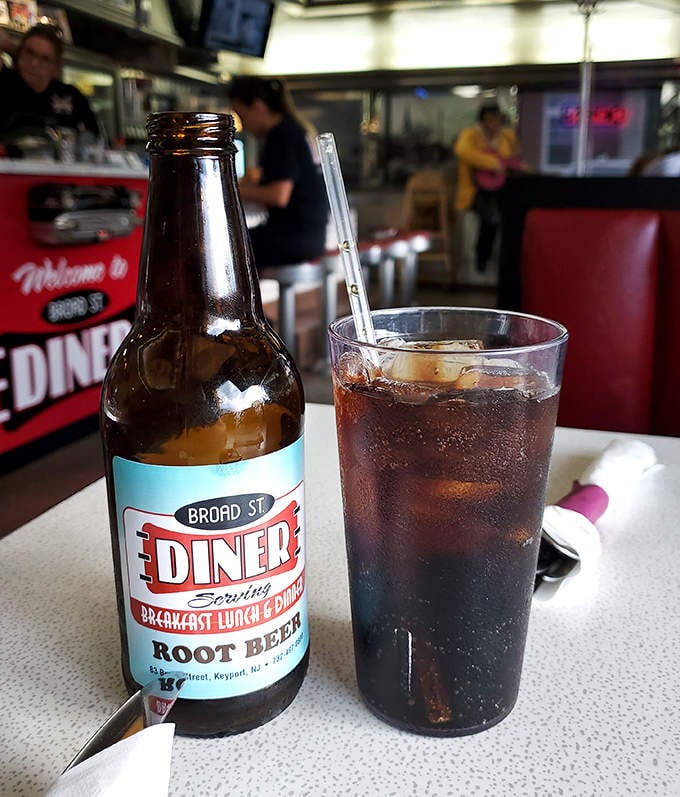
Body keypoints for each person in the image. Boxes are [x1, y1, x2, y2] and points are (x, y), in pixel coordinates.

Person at [226, 75, 329, 270]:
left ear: (257, 106)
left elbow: (279, 196)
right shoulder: (294, 129)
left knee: (221, 247)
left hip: (295, 239)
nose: (243, 125)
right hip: (311, 237)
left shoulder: (281, 135)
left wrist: (228, 189)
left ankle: (236, 301)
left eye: (240, 114)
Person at [454, 102, 525, 272]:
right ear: (482, 121)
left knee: (511, 218)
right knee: (489, 219)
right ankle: (481, 258)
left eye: (495, 120)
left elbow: (513, 159)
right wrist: (493, 164)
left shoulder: (507, 136)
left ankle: (508, 264)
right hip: (476, 190)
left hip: (501, 188)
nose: (492, 124)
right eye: (488, 120)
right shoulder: (470, 135)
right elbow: (462, 151)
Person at [0, 24, 100, 142]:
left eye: (45, 59)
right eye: (29, 53)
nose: (34, 63)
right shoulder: (4, 85)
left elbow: (95, 140)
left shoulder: (71, 96)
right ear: (19, 52)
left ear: (56, 66)